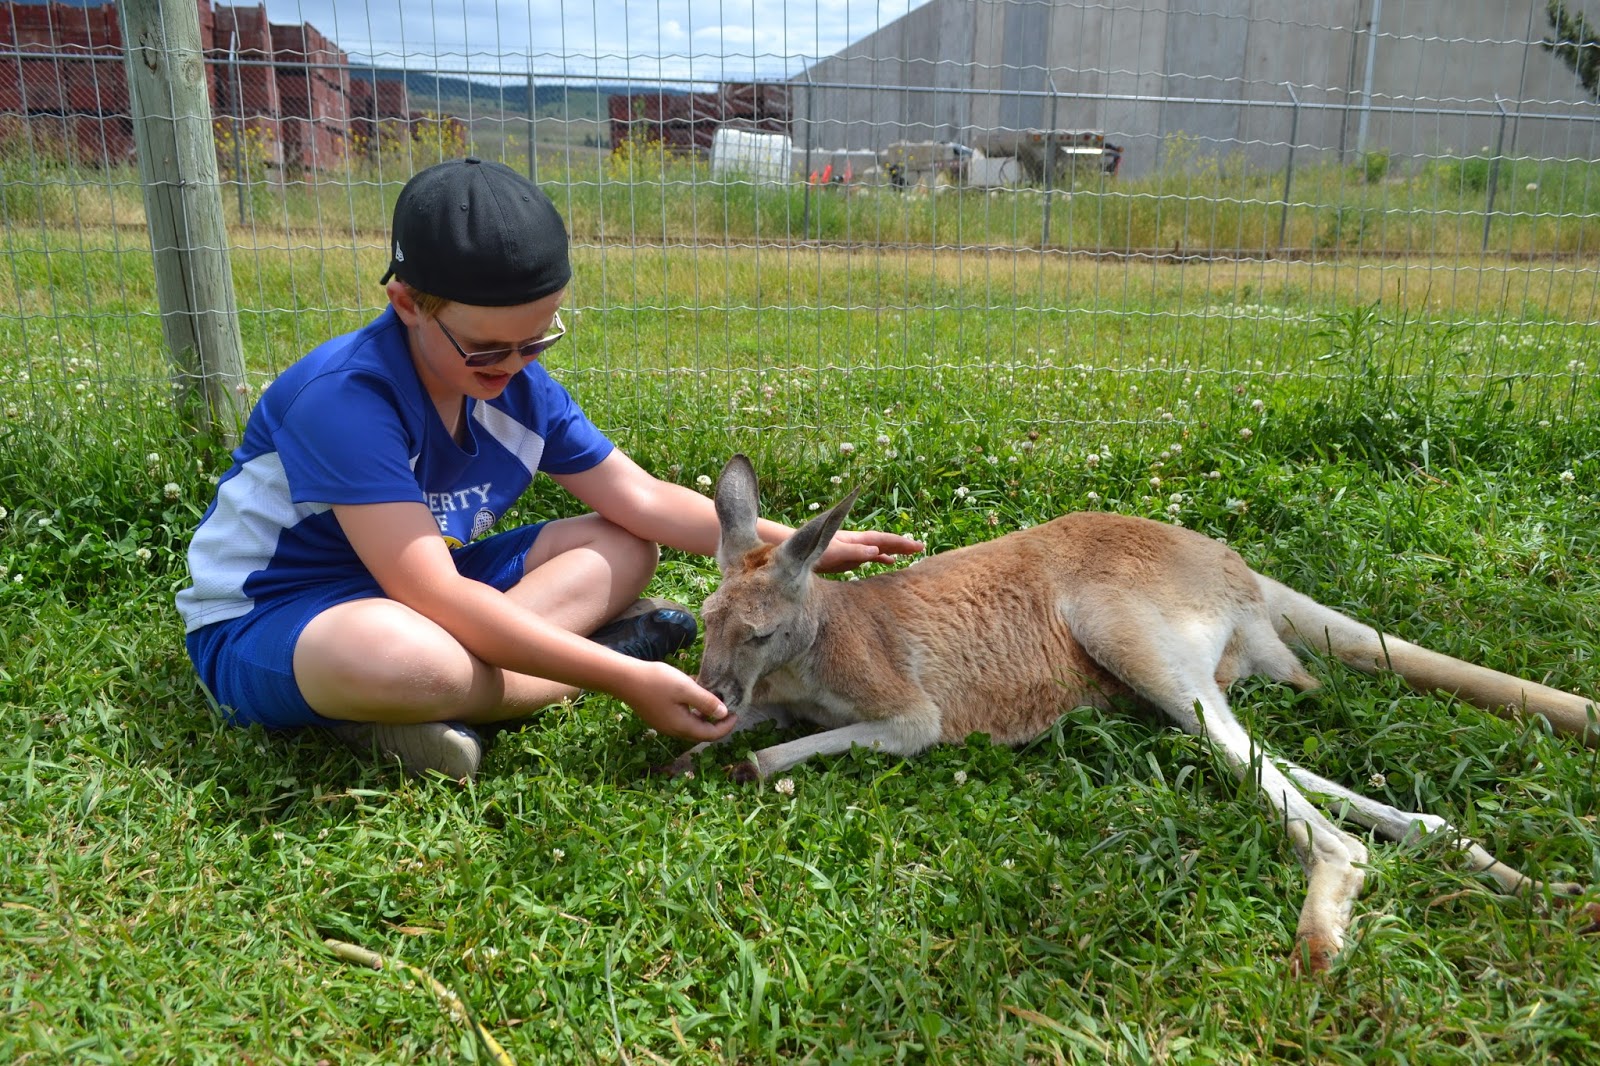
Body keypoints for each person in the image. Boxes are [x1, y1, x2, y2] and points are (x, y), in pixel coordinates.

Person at [175, 157, 923, 782]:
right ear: (406, 303)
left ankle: (442, 698)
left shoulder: (514, 388)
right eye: (486, 348)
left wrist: (797, 543)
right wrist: (621, 677)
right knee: (405, 656)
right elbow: (429, 591)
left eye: (536, 342)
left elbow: (637, 498)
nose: (511, 367)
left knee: (626, 545)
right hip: (276, 615)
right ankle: (449, 691)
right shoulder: (343, 399)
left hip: (422, 586)